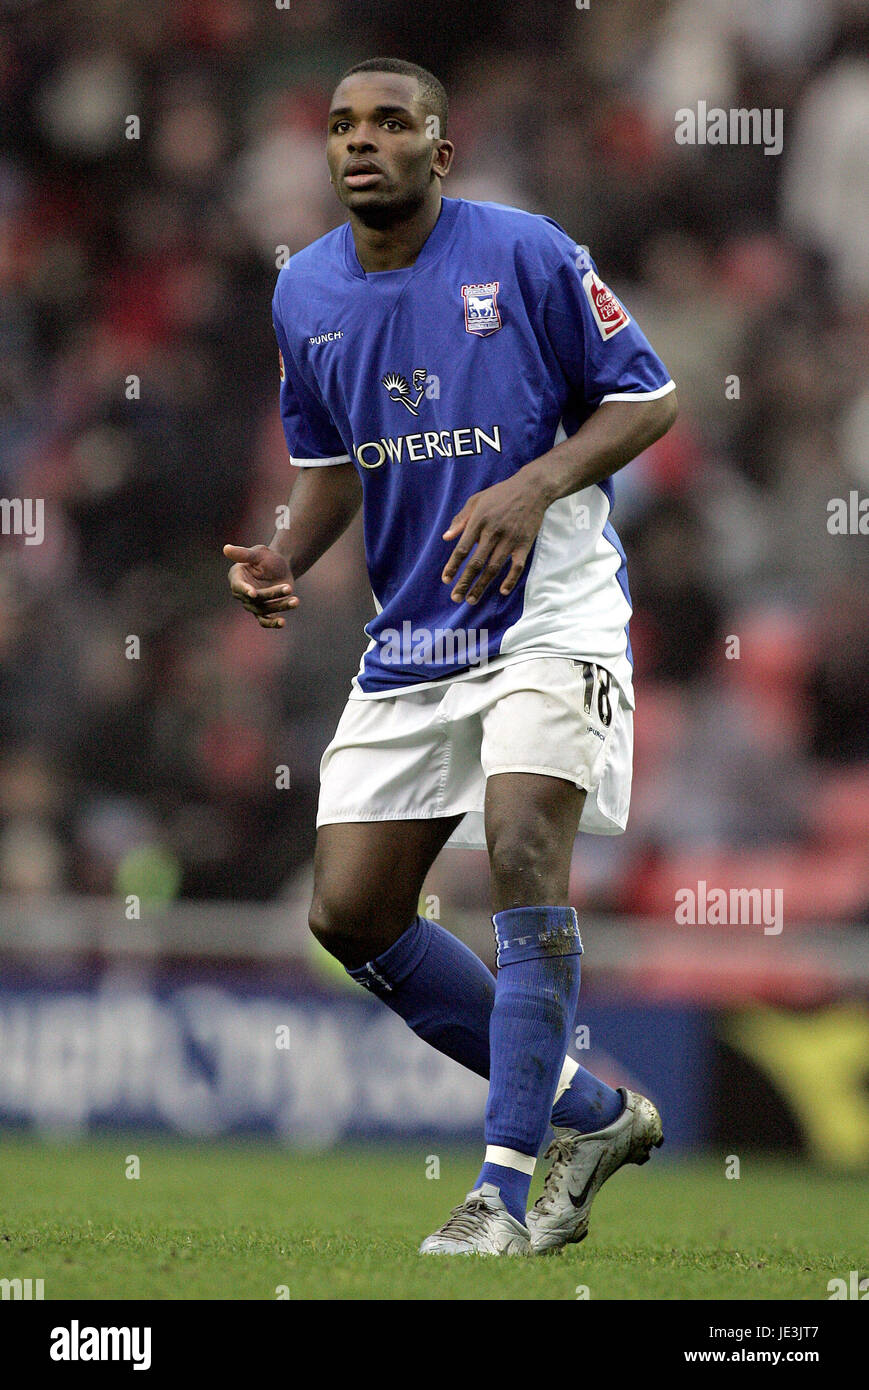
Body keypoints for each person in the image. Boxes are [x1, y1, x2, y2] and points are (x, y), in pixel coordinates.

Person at [224, 57, 677, 1256]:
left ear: (442, 147)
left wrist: (531, 487)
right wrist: (282, 556)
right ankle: (587, 1113)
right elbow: (331, 462)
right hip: (412, 633)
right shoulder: (303, 290)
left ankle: (501, 1195)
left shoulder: (527, 251)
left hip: (548, 610)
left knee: (524, 843)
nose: (359, 142)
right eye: (339, 125)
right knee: (350, 911)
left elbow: (648, 397)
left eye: (389, 123)